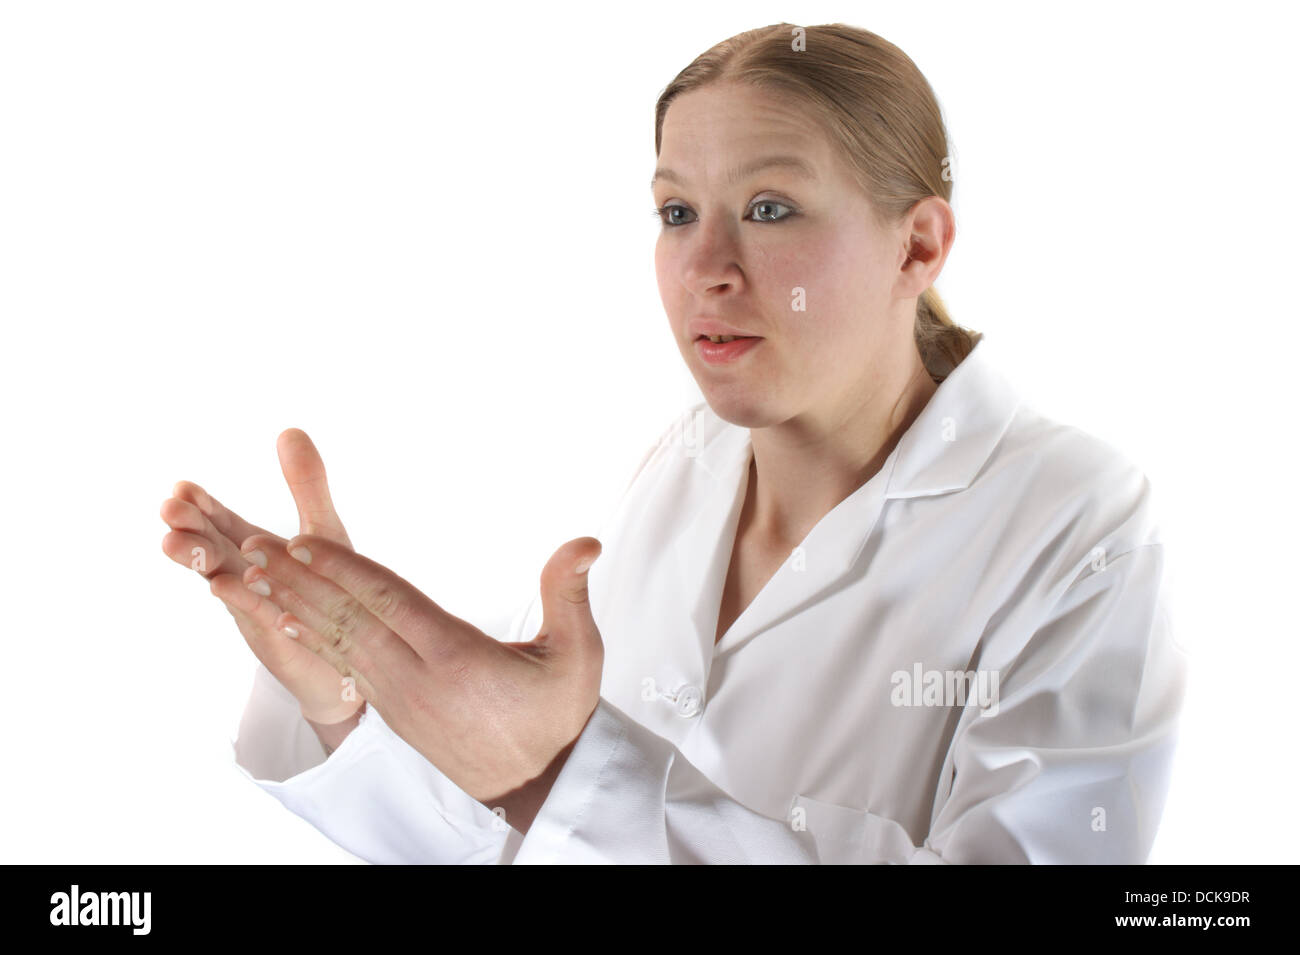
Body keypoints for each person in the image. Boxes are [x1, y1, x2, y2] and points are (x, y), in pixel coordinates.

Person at [160, 22, 1186, 863]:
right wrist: (352, 700)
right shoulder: (682, 468)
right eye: (676, 210)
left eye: (770, 208)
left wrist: (559, 771)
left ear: (917, 243)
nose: (708, 267)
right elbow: (509, 836)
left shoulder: (1079, 520)